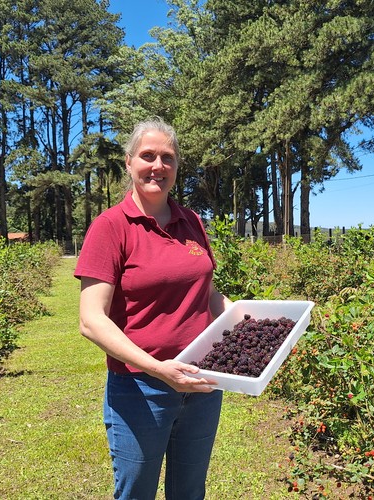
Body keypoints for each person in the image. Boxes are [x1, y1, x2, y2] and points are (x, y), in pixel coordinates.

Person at [75, 117, 232, 499]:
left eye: (168, 158)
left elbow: (207, 294)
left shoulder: (192, 221)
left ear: (177, 167)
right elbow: (91, 319)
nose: (158, 166)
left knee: (190, 492)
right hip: (140, 387)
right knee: (136, 494)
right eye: (147, 156)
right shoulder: (111, 226)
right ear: (128, 162)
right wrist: (158, 369)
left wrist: (256, 321)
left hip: (202, 382)